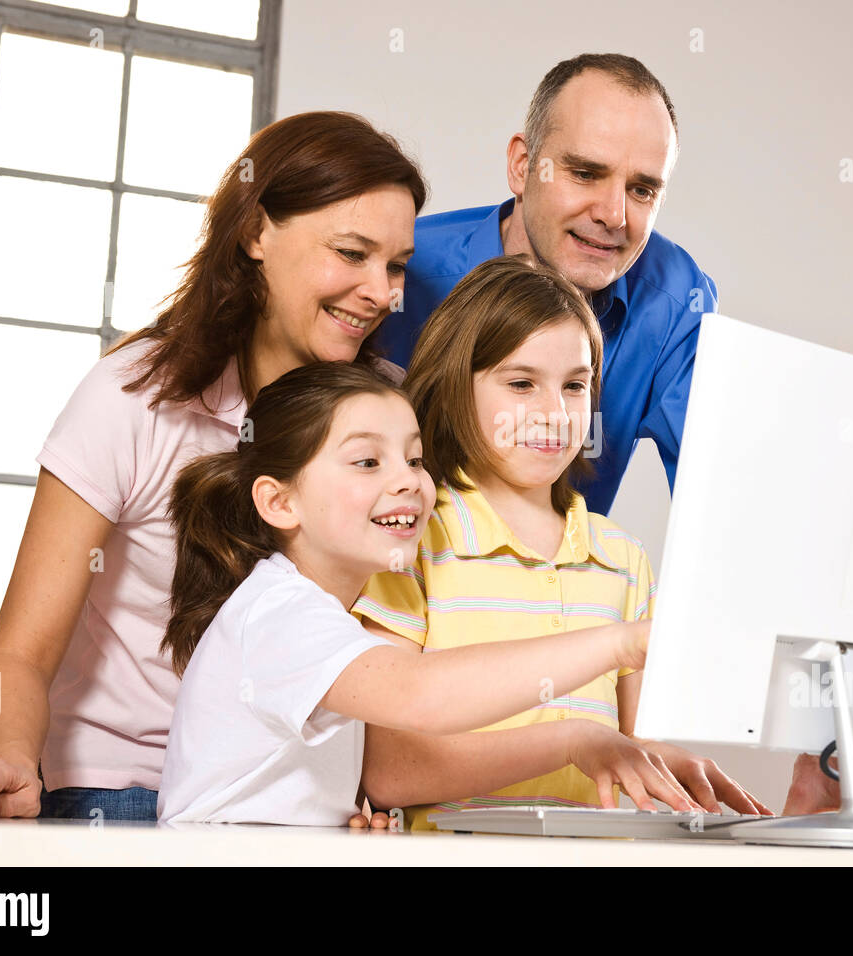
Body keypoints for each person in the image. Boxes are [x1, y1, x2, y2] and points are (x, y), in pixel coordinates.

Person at [0, 111, 425, 822]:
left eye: (395, 266)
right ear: (256, 232)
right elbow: (20, 653)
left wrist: (353, 787)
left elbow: (389, 639)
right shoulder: (133, 396)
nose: (382, 292)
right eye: (352, 253)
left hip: (286, 802)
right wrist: (14, 761)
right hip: (124, 790)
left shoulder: (386, 416)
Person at [158, 361, 684, 825]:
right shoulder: (279, 613)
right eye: (367, 462)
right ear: (278, 503)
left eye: (414, 460)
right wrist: (619, 645)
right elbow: (420, 694)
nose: (409, 481)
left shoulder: (327, 621)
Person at [354, 256, 771, 830]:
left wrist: (669, 768)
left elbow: (632, 744)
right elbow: (390, 771)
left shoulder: (622, 560)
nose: (554, 413)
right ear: (455, 385)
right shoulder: (412, 539)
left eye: (575, 386)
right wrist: (571, 743)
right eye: (521, 383)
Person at [374, 53, 710, 516]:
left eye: (642, 190)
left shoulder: (676, 298)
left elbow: (721, 485)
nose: (613, 215)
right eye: (586, 174)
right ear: (522, 165)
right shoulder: (402, 269)